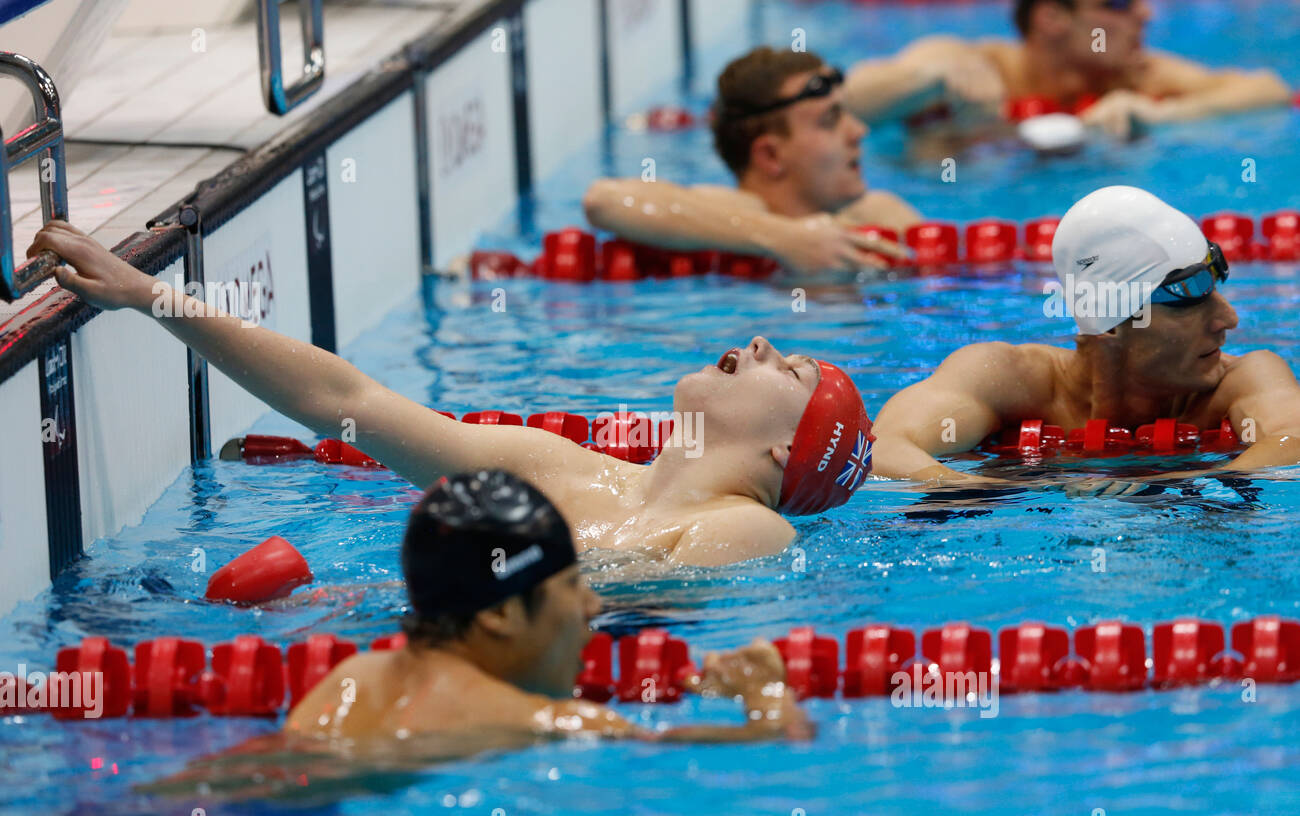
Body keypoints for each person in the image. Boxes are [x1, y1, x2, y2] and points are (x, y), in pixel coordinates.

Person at [30, 221, 877, 566]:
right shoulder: (554, 463)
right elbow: (344, 401)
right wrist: (152, 296)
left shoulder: (753, 529)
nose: (763, 342)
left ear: (780, 453)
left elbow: (584, 598)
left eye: (790, 371)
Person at [284, 469, 810, 749]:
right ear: (500, 613)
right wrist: (767, 693)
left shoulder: (351, 678)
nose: (594, 606)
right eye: (573, 586)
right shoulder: (552, 723)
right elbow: (775, 744)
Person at [869, 186, 1300, 496]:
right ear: (1109, 324)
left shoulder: (1243, 378)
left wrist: (1166, 488)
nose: (1228, 318)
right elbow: (881, 448)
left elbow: (1294, 439)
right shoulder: (1006, 377)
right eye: (1189, 298)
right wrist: (998, 491)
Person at [583, 47, 920, 276]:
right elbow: (605, 201)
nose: (859, 131)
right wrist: (785, 239)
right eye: (830, 120)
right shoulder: (732, 212)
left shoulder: (877, 213)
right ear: (770, 155)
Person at [843, 0, 1291, 142]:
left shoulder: (1133, 77)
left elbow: (1267, 90)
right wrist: (931, 80)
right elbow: (847, 102)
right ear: (1052, 18)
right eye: (1117, 4)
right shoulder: (973, 60)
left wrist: (1158, 115)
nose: (1146, 14)